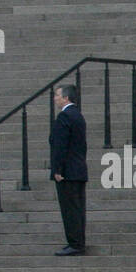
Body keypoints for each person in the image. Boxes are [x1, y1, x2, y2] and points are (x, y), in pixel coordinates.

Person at [49, 83, 88, 256]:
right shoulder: (78, 116)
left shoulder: (64, 117)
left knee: (69, 208)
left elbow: (60, 145)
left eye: (57, 95)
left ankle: (75, 243)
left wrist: (57, 169)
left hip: (67, 171)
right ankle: (78, 241)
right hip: (78, 169)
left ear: (66, 97)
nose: (55, 99)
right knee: (78, 208)